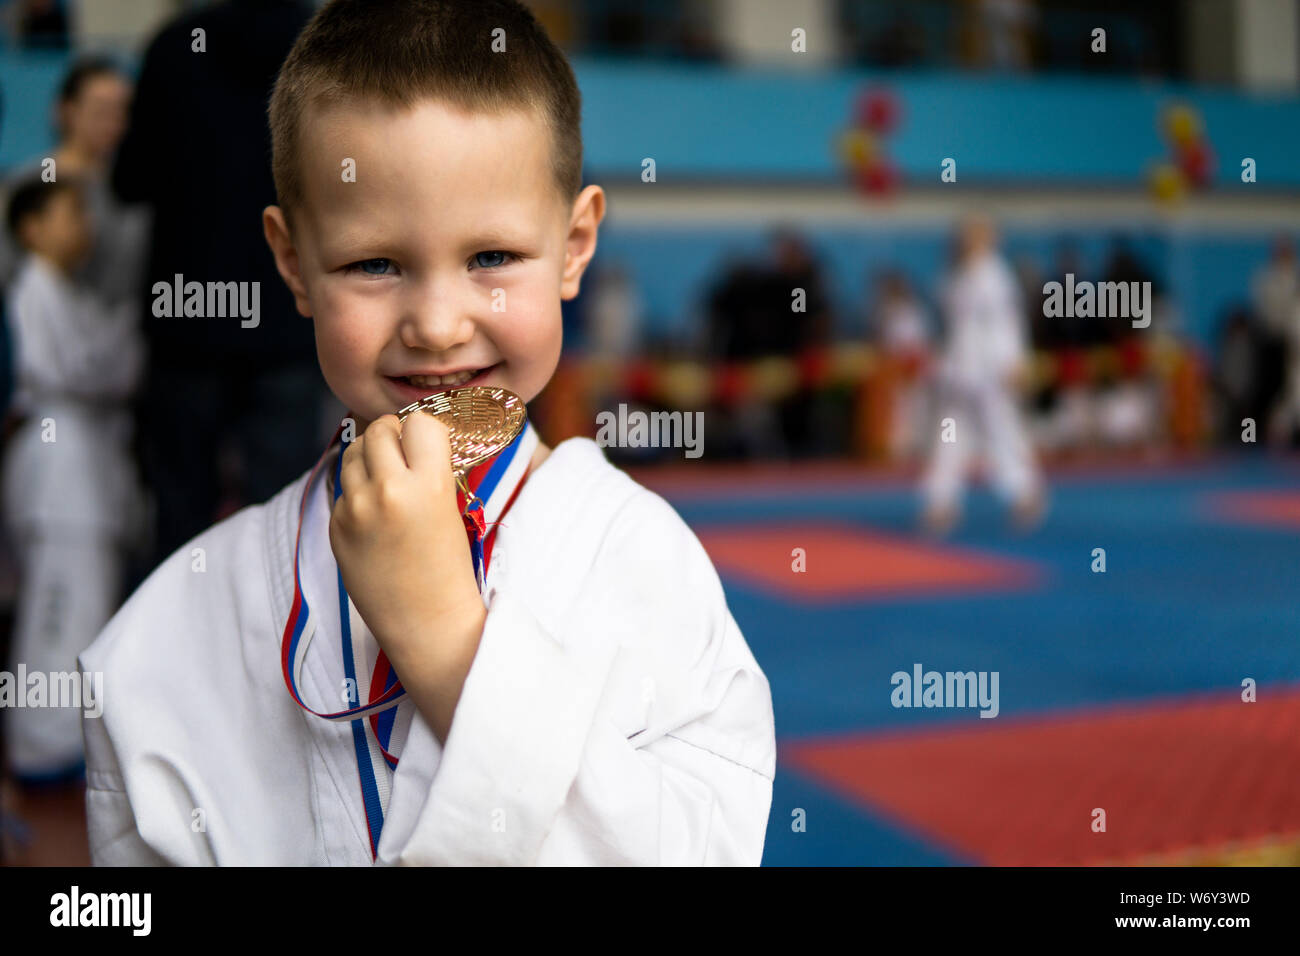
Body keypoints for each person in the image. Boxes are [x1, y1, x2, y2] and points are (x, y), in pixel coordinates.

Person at [79, 0, 775, 866]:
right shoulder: (168, 635)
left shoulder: (647, 567)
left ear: (574, 244)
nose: (439, 326)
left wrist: (449, 644)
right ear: (292, 262)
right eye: (375, 264)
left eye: (491, 258)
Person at [2, 176, 144, 781]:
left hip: (81, 468)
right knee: (59, 613)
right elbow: (89, 367)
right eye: (67, 214)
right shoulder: (33, 290)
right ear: (31, 227)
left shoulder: (64, 292)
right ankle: (42, 747)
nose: (82, 228)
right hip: (59, 472)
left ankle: (60, 742)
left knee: (78, 611)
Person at [921, 214, 1045, 533]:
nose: (969, 240)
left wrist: (1015, 362)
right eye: (966, 234)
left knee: (1001, 431)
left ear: (990, 238)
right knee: (949, 436)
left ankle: (1024, 492)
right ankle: (940, 501)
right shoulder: (956, 274)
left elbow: (1008, 323)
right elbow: (948, 325)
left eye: (977, 234)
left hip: (991, 369)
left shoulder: (996, 276)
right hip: (959, 369)